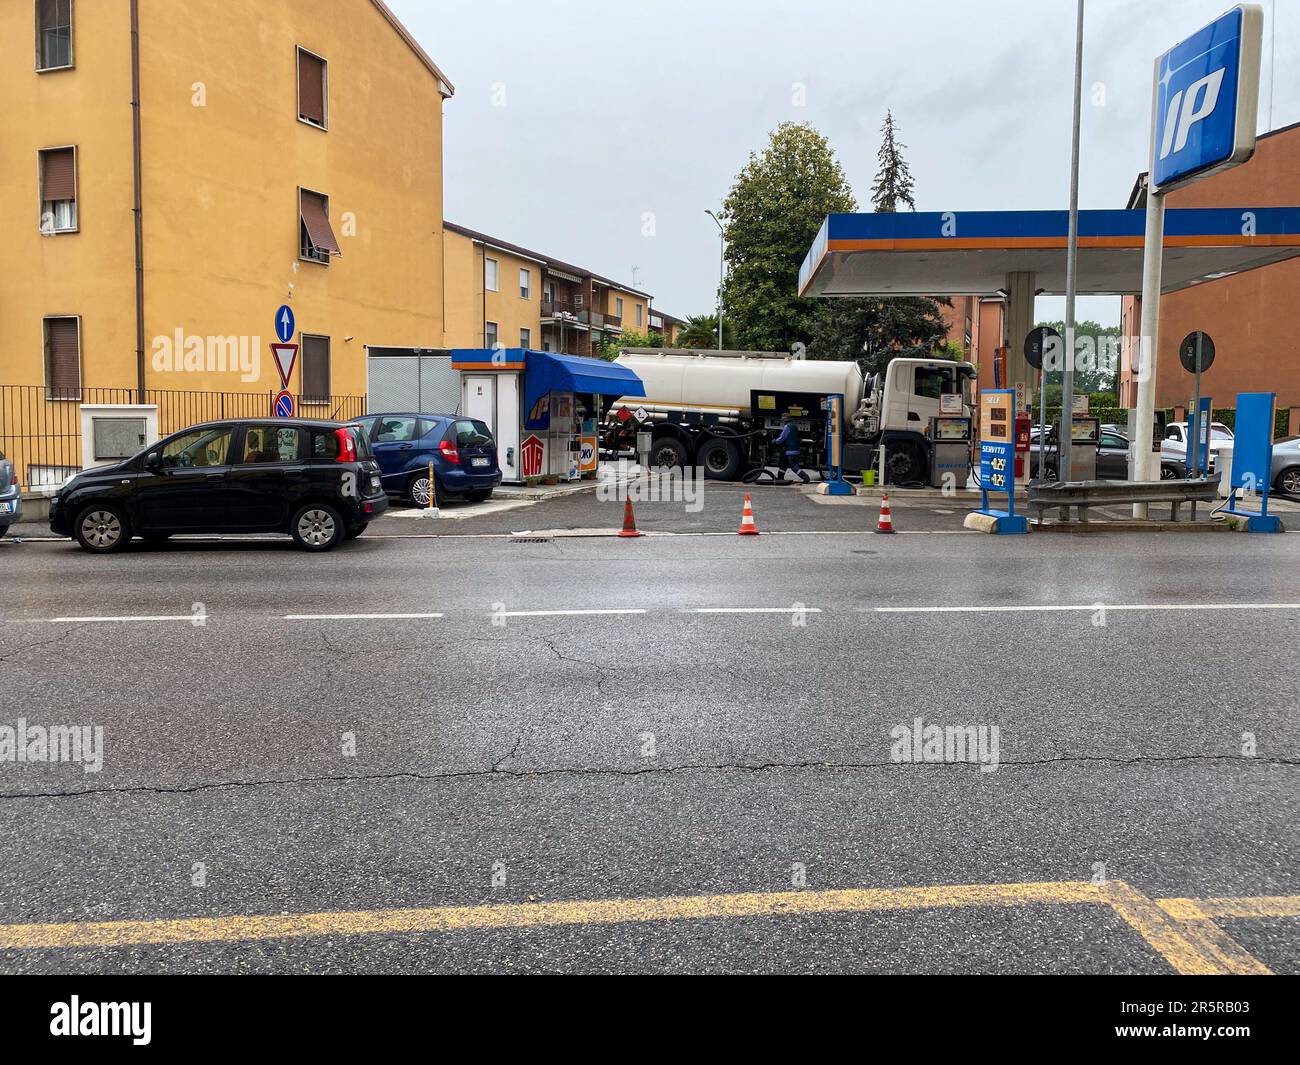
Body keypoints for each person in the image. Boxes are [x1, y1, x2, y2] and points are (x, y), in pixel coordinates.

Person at [772, 415, 810, 483]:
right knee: (783, 465)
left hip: (790, 451)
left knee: (793, 466)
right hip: (793, 450)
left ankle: (805, 477)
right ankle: (780, 478)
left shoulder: (787, 427)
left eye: (782, 418)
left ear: (786, 419)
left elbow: (782, 438)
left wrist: (775, 441)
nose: (781, 420)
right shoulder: (794, 426)